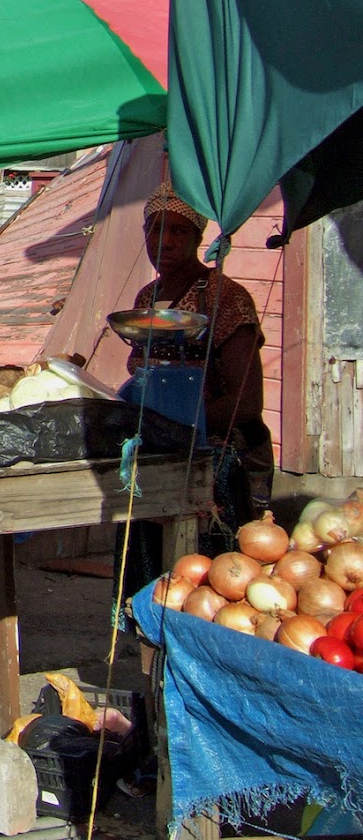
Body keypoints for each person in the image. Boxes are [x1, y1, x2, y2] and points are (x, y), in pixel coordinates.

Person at [115, 183, 270, 592]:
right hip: (154, 456)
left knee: (201, 584)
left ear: (199, 238)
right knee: (150, 582)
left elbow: (246, 405)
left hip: (211, 462)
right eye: (154, 229)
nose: (163, 242)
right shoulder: (148, 297)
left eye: (178, 231)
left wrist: (180, 425)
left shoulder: (226, 298)